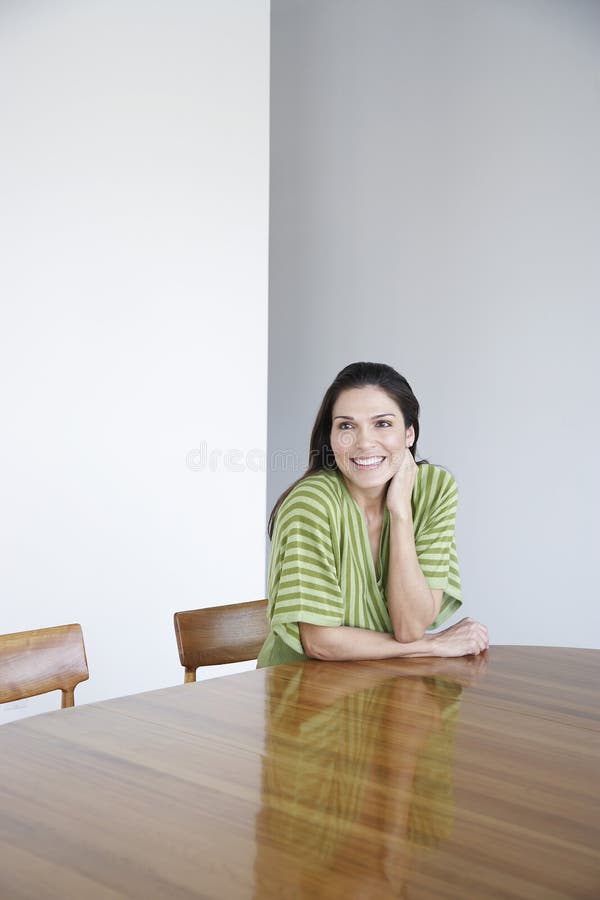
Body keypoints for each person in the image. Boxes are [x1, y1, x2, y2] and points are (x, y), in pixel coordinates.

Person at [256, 362, 488, 668]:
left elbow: (409, 627)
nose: (364, 442)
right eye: (346, 426)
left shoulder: (434, 490)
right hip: (304, 685)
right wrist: (432, 644)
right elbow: (319, 642)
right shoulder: (311, 504)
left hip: (388, 679)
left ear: (409, 433)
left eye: (382, 423)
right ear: (331, 437)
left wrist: (400, 512)